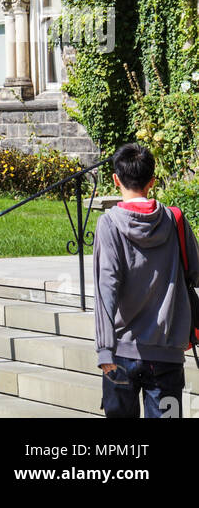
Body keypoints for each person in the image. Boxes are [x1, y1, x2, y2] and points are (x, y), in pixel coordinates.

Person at [93, 141, 199, 418]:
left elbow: (106, 291)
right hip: (168, 355)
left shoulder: (109, 224)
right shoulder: (175, 219)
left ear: (116, 179)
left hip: (121, 354)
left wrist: (105, 351)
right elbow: (195, 272)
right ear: (152, 181)